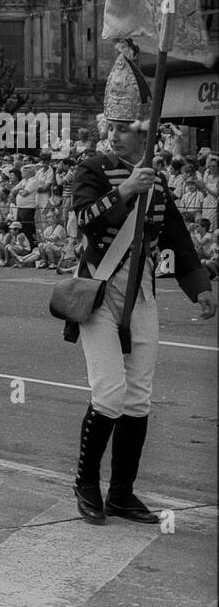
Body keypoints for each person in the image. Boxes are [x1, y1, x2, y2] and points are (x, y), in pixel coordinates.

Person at [67, 43, 216, 525]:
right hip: (101, 293)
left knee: (137, 398)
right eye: (110, 126)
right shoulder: (91, 169)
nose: (114, 135)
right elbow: (85, 221)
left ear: (141, 132)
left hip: (144, 290)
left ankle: (123, 493)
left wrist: (200, 286)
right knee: (108, 394)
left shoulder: (156, 179)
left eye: (123, 128)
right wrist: (123, 191)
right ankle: (85, 483)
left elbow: (174, 234)